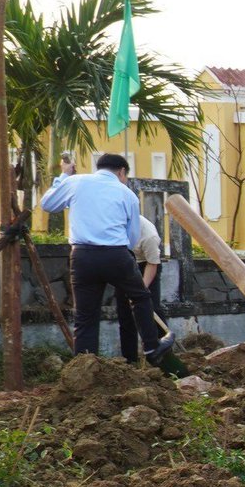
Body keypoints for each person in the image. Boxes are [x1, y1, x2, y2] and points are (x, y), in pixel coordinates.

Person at [39, 152, 172, 363]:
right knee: (140, 297)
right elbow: (132, 236)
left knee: (85, 316)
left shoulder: (76, 182)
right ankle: (151, 348)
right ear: (121, 172)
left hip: (82, 256)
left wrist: (64, 176)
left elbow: (47, 204)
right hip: (116, 254)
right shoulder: (126, 193)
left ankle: (84, 365)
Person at [115, 215, 171, 362]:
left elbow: (152, 264)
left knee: (151, 307)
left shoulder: (149, 236)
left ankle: (164, 353)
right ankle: (130, 359)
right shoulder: (114, 225)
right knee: (125, 312)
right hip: (125, 264)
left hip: (146, 265)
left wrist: (139, 292)